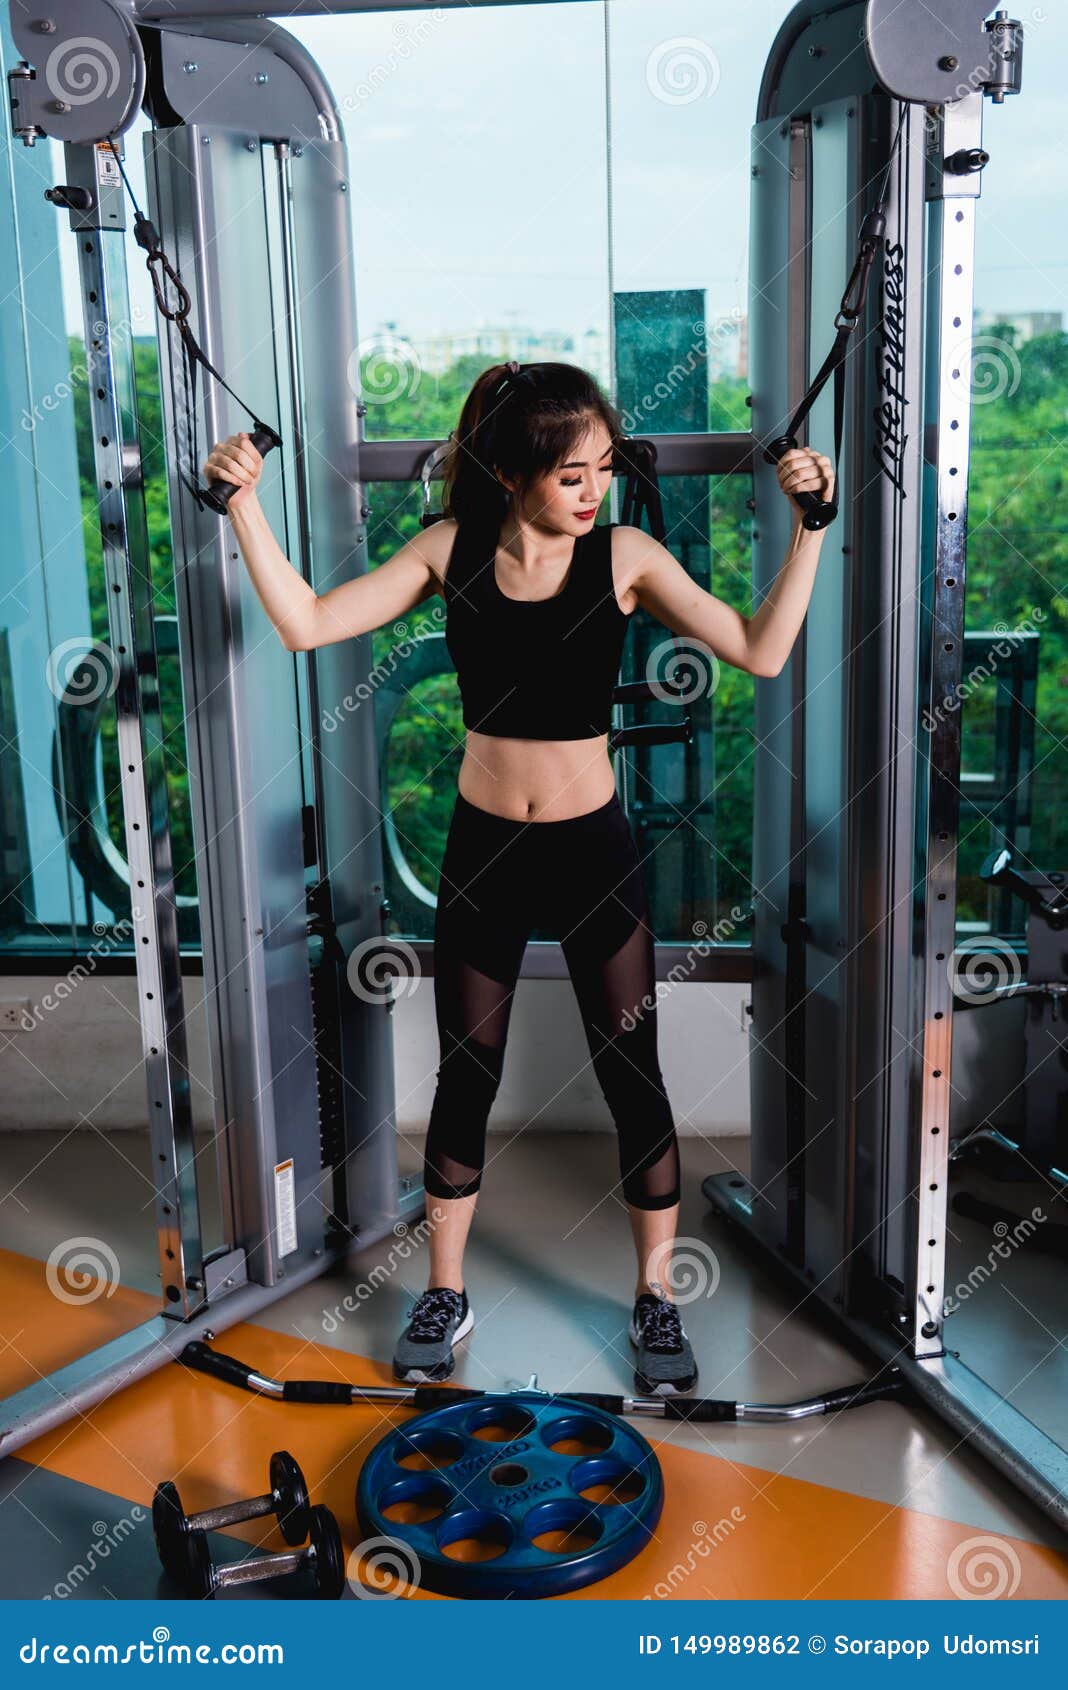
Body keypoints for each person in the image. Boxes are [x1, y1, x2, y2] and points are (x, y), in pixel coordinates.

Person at [205, 360, 832, 1396]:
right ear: (512, 474)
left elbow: (761, 650)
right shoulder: (450, 553)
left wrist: (810, 527)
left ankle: (655, 1296)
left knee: (633, 1076)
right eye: (574, 475)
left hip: (592, 849)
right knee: (467, 1073)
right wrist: (243, 509)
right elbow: (308, 623)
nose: (598, 491)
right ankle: (444, 1291)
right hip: (486, 851)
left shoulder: (626, 558)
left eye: (605, 469)